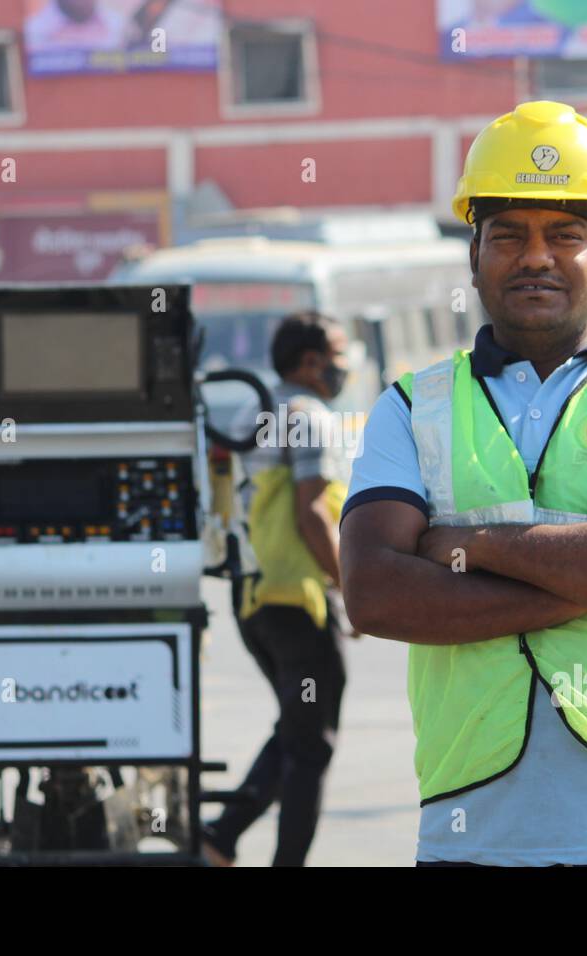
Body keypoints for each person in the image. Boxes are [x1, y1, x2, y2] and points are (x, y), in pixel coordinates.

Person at [340, 101, 587, 867]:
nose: (536, 257)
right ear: (474, 253)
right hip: (472, 831)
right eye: (509, 235)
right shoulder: (411, 406)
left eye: (566, 235)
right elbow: (375, 594)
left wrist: (469, 544)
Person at [201, 311, 353, 867]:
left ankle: (221, 836)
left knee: (298, 726)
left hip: (253, 599)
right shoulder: (308, 416)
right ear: (311, 362)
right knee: (312, 745)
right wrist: (350, 587)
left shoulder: (253, 410)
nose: (346, 366)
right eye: (340, 354)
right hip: (298, 600)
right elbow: (313, 513)